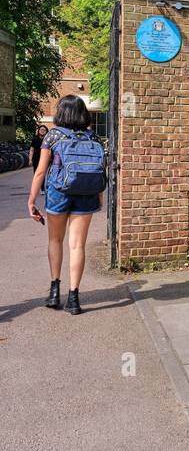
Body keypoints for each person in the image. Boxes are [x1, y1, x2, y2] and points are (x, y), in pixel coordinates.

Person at [28, 95, 106, 315]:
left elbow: (41, 171)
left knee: (55, 239)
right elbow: (101, 167)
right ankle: (74, 298)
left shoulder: (52, 136)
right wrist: (99, 194)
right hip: (86, 194)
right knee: (77, 245)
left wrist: (32, 199)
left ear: (61, 113)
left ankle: (55, 291)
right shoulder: (94, 137)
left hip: (58, 193)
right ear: (83, 113)